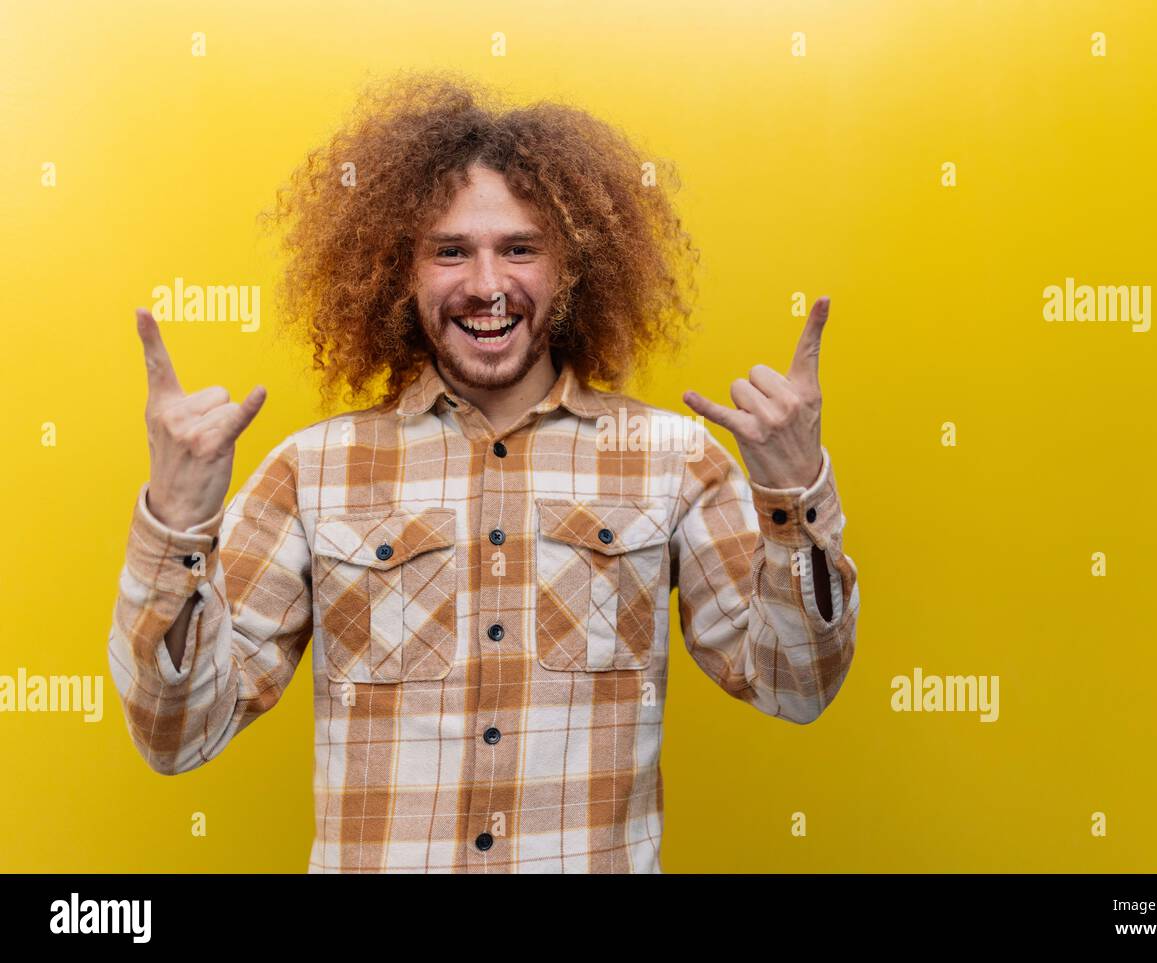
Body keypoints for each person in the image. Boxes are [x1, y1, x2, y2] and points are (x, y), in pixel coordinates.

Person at [108, 73, 859, 873]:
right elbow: (176, 735)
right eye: (451, 251)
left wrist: (796, 494)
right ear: (403, 271)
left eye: (521, 248)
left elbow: (797, 686)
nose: (487, 285)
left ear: (572, 270)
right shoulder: (312, 471)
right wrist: (177, 522)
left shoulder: (674, 461)